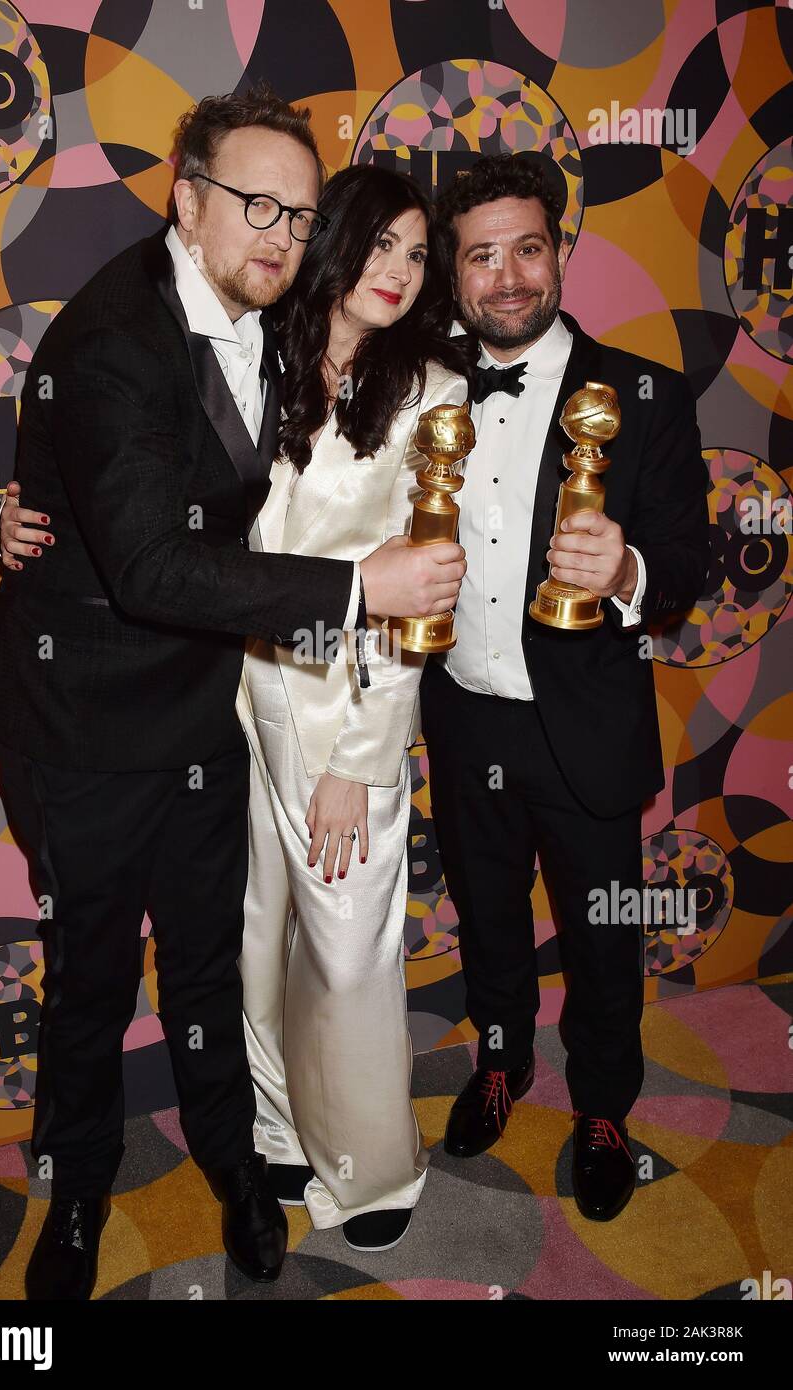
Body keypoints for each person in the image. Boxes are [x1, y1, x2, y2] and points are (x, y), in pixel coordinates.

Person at [0, 85, 466, 1299]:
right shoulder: (112, 339)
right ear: (185, 201)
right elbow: (144, 558)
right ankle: (79, 1191)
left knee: (207, 962)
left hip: (207, 709)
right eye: (255, 206)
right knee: (91, 972)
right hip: (82, 715)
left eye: (299, 216)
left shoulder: (278, 301)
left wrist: (24, 488)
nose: (281, 237)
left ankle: (240, 1164)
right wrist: (361, 588)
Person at [420, 154, 710, 1221]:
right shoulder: (417, 390)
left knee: (599, 933)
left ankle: (604, 1108)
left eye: (526, 248)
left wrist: (630, 569)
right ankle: (501, 1061)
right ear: (450, 274)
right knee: (487, 915)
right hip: (458, 711)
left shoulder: (644, 393)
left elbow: (692, 559)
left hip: (580, 723)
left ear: (561, 253)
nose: (506, 277)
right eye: (479, 254)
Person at [237, 164, 471, 1252]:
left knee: (347, 947)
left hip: (347, 702)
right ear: (334, 242)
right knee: (258, 932)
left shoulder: (431, 393)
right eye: (382, 244)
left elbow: (421, 595)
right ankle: (280, 1128)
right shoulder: (254, 359)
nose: (399, 270)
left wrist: (362, 759)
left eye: (417, 254)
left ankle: (372, 1174)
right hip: (239, 695)